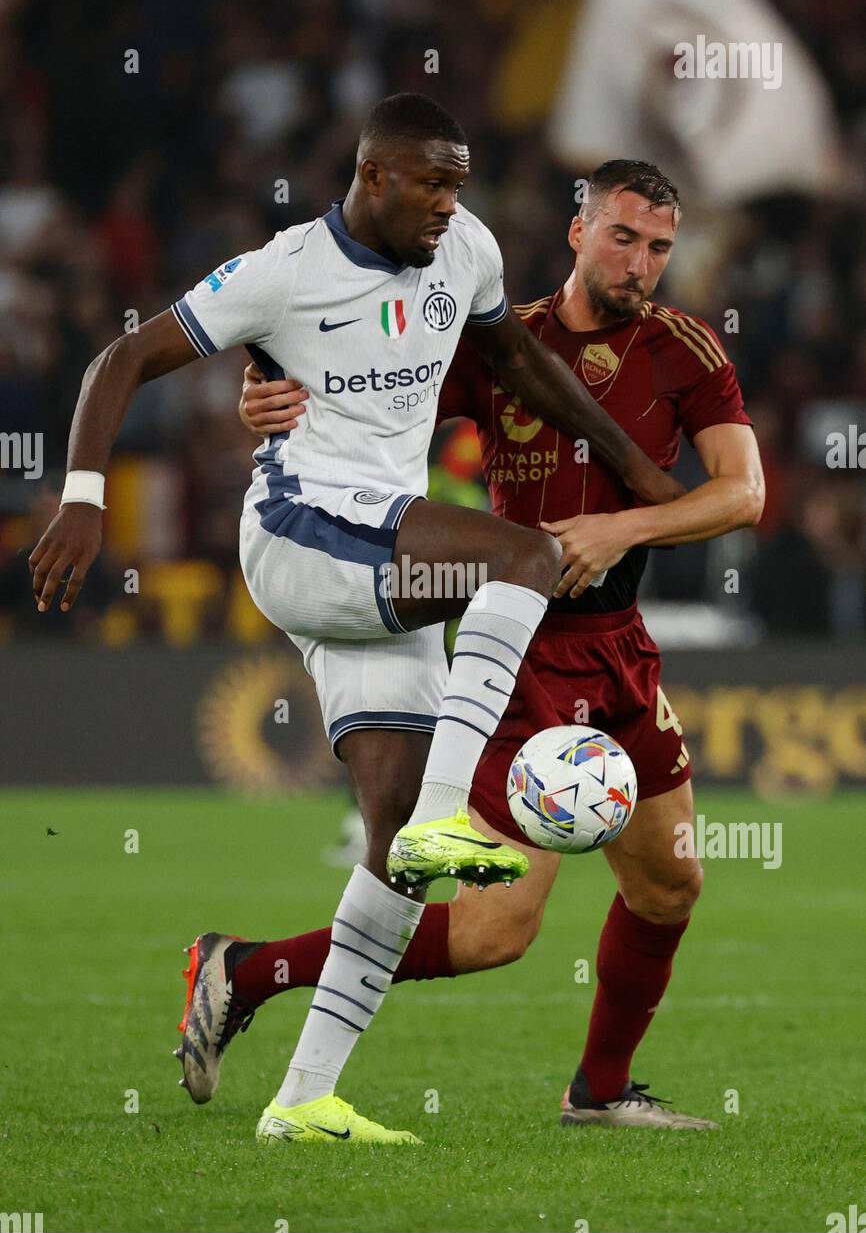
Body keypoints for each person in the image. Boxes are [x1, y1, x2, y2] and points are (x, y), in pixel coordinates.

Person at [29, 99, 679, 1146]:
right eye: (429, 182)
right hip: (302, 534)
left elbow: (516, 362)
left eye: (457, 183)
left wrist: (632, 464)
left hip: (383, 556)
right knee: (525, 553)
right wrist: (85, 495)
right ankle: (443, 812)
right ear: (372, 175)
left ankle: (302, 1098)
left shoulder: (461, 249)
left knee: (392, 858)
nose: (447, 204)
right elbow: (122, 360)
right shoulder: (279, 272)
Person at [190, 159, 764, 1132]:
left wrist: (617, 531)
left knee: (669, 881)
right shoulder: (502, 341)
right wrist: (270, 395)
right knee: (498, 930)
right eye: (622, 236)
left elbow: (740, 493)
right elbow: (361, 386)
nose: (639, 263)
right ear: (577, 229)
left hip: (621, 647)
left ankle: (599, 1090)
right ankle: (246, 967)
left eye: (659, 246)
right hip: (522, 653)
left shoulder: (683, 350)